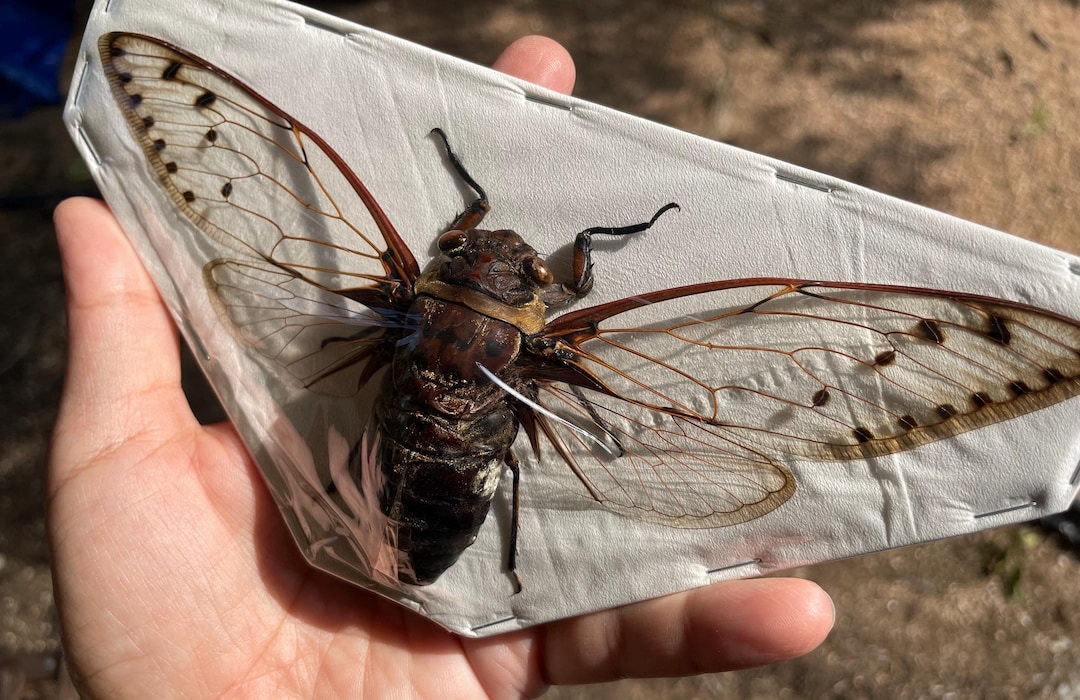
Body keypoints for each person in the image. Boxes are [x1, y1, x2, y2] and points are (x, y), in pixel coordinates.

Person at [47, 36, 834, 697]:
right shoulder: (558, 332)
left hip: (388, 463)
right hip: (446, 474)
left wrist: (472, 203)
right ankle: (482, 548)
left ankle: (378, 509)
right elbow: (581, 264)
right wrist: (589, 241)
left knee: (484, 456)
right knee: (510, 466)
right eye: (470, 249)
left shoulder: (402, 290)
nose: (501, 259)